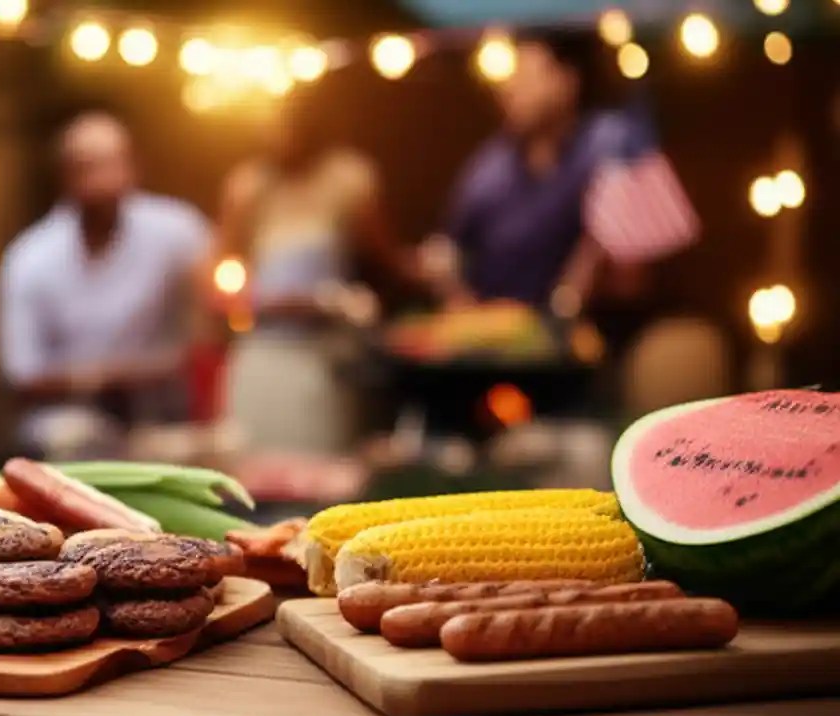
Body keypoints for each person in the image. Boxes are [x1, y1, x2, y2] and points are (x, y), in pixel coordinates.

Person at [0, 112, 209, 455]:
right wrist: (108, 378)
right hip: (70, 416)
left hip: (163, 412)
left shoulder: (178, 232)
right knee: (76, 438)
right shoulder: (29, 257)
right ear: (64, 175)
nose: (103, 180)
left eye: (114, 163)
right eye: (88, 166)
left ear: (135, 166)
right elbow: (22, 374)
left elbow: (213, 310)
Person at [423, 28, 668, 317]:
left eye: (526, 76)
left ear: (567, 81)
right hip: (497, 342)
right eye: (509, 78)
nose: (509, 89)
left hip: (599, 334)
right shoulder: (488, 165)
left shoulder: (615, 139)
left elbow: (635, 275)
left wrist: (585, 276)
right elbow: (445, 252)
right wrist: (456, 296)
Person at [215, 85, 403, 454]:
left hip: (322, 355)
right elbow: (221, 277)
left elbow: (384, 266)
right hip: (263, 351)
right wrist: (256, 302)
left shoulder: (349, 178)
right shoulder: (247, 185)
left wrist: (345, 303)